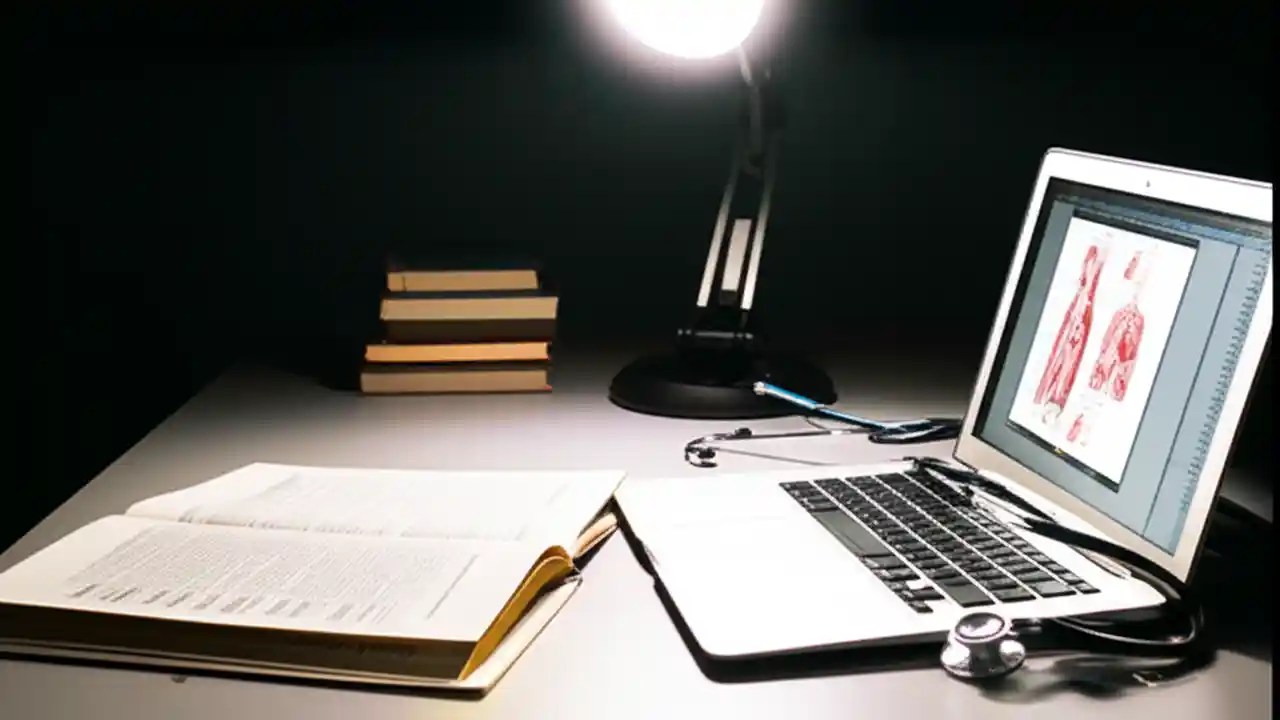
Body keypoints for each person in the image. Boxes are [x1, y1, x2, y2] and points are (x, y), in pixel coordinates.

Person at [1068, 250, 1151, 447]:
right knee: (1095, 395)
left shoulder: (1135, 318)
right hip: (1105, 367)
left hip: (1111, 372)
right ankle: (1082, 428)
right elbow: (1108, 344)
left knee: (1099, 400)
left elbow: (1127, 353)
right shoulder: (1122, 313)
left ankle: (1085, 431)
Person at [1035, 243, 1108, 426]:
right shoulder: (1049, 395)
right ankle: (1096, 262)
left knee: (1083, 302)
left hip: (1069, 350)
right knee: (1083, 303)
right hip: (1069, 349)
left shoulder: (1047, 394)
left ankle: (1096, 262)